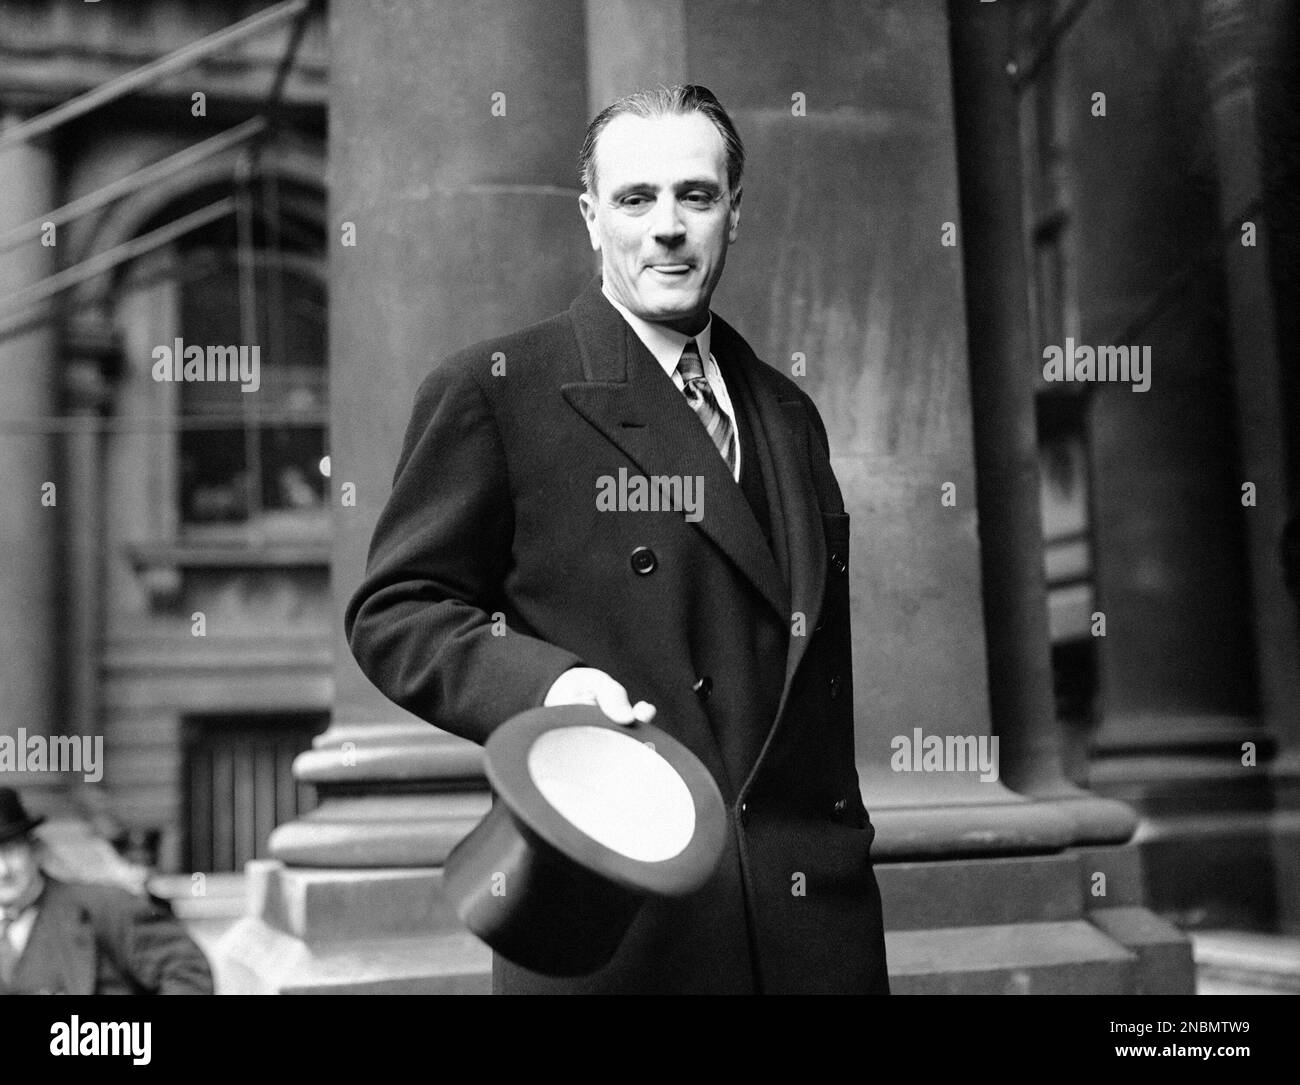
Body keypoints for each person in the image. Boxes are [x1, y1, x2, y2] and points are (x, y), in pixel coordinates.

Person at [346, 84, 888, 994]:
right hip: (630, 919)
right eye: (636, 199)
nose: (668, 226)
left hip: (811, 927)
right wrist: (550, 683)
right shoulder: (499, 389)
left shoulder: (789, 413)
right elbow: (396, 611)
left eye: (696, 196)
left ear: (734, 214)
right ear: (594, 218)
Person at [0, 787, 213, 995]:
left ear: (36, 849)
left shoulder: (106, 907)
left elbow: (188, 973)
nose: (3, 870)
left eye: (10, 850)